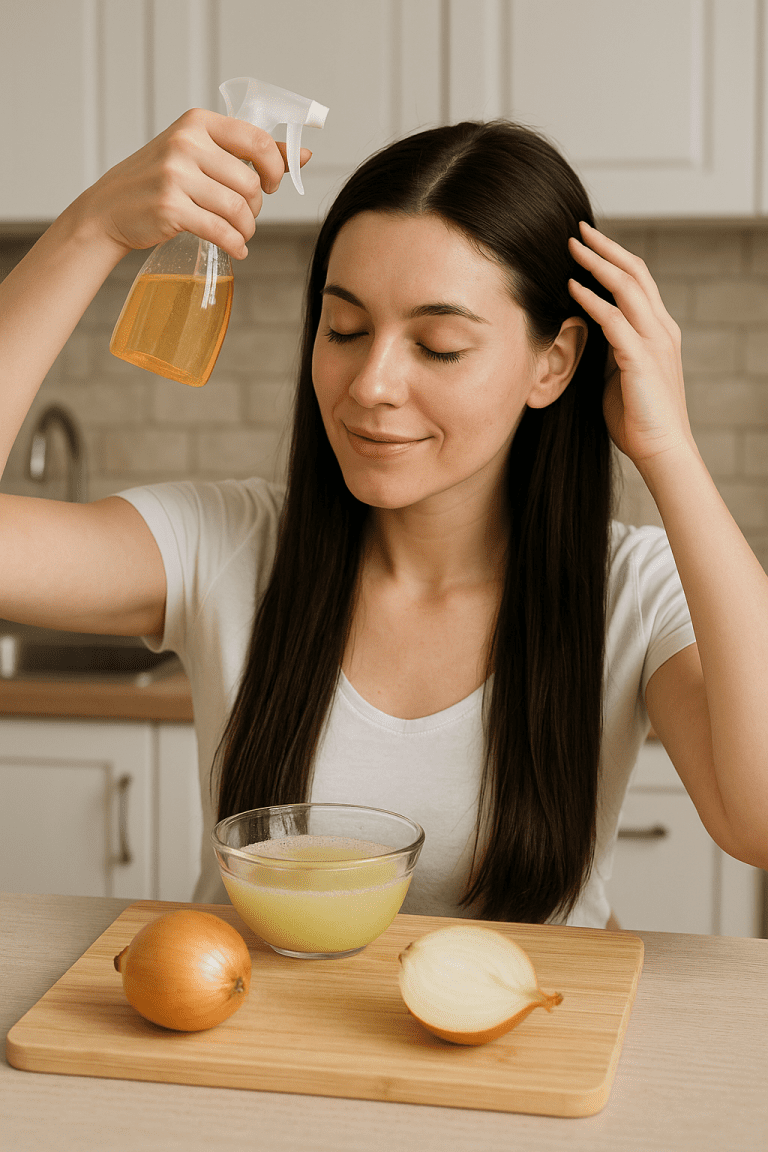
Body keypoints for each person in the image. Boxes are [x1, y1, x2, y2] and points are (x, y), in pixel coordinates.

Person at [2, 109, 767, 929]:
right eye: (345, 329)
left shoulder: (632, 591)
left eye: (438, 345)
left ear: (554, 363)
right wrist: (90, 229)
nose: (370, 383)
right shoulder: (228, 546)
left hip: (527, 1014)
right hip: (250, 1011)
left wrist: (668, 448)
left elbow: (757, 823)